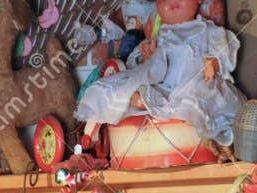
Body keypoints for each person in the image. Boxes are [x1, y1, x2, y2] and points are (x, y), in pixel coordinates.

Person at [76, 0, 242, 147]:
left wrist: (214, 60)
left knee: (207, 101)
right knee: (136, 87)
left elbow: (223, 46)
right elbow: (147, 69)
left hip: (197, 84)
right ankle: (143, 100)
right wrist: (147, 56)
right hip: (167, 88)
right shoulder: (160, 38)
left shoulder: (208, 30)